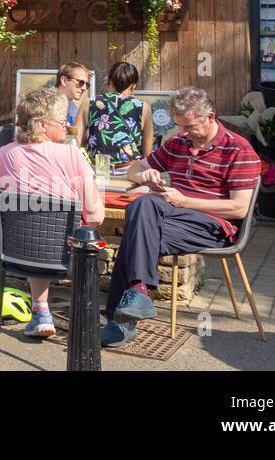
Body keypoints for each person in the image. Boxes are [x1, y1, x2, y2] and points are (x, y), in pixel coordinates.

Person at [101, 87, 264, 348]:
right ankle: (138, 294)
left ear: (210, 117)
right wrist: (144, 175)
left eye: (189, 127)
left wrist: (186, 201)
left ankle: (121, 320)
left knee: (137, 230)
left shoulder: (238, 149)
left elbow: (240, 209)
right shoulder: (179, 143)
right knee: (143, 209)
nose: (183, 134)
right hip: (173, 214)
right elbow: (135, 168)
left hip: (211, 223)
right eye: (179, 127)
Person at [0, 88, 105, 338]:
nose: (67, 124)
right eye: (61, 120)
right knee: (89, 223)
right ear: (43, 126)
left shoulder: (3, 153)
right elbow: (95, 216)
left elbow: (3, 200)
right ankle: (89, 318)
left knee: (36, 230)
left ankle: (42, 312)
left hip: (14, 253)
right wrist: (100, 193)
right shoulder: (72, 154)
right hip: (67, 256)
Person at [86, 61, 154, 165]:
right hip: (129, 170)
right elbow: (147, 154)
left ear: (109, 80)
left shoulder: (89, 103)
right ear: (134, 85)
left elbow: (75, 141)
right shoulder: (143, 107)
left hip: (97, 169)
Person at [55, 61, 89, 143]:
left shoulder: (73, 107)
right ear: (64, 80)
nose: (84, 88)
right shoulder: (46, 105)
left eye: (87, 84)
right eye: (80, 82)